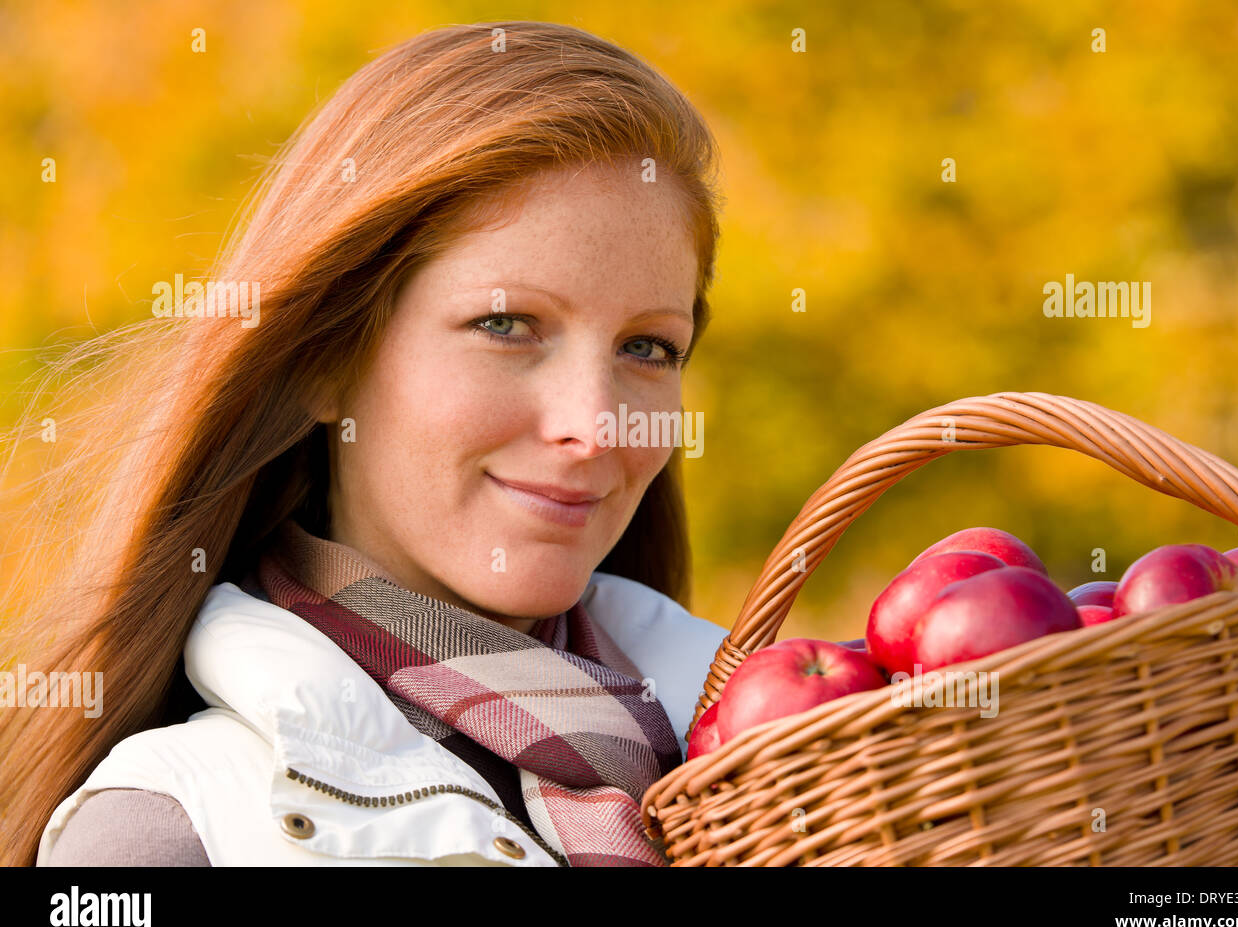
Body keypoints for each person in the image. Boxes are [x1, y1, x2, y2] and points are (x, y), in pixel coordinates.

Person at [0, 20, 727, 867]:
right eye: (506, 325)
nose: (597, 424)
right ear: (323, 361)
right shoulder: (170, 832)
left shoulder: (786, 756)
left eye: (647, 348)